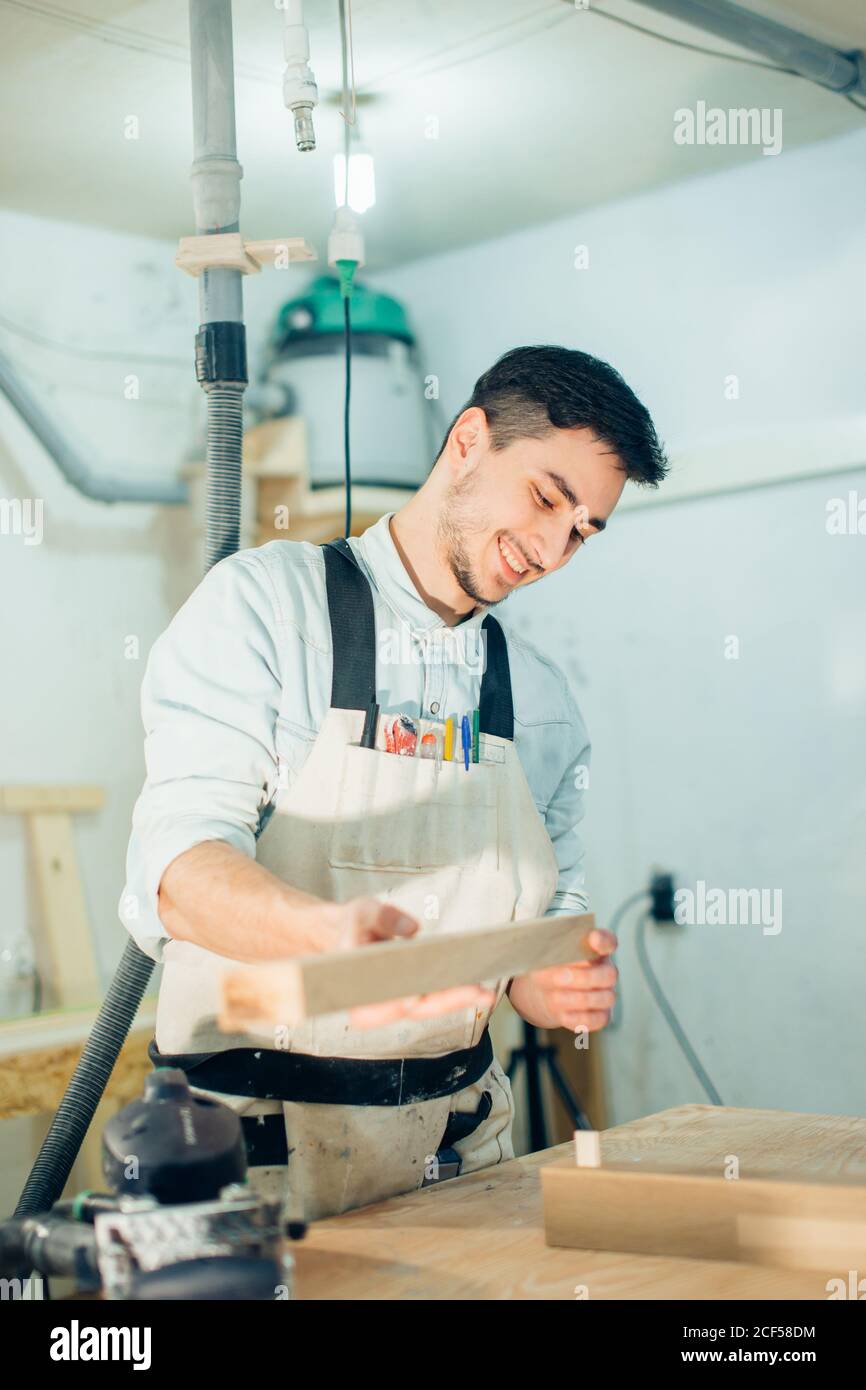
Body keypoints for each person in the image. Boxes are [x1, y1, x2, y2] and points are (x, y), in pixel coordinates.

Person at [120, 343, 668, 1220]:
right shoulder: (264, 608)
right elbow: (180, 873)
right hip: (250, 1163)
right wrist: (333, 940)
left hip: (461, 1161)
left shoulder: (544, 702)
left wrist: (545, 981)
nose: (551, 548)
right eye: (545, 498)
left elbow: (546, 921)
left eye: (582, 530)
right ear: (467, 441)